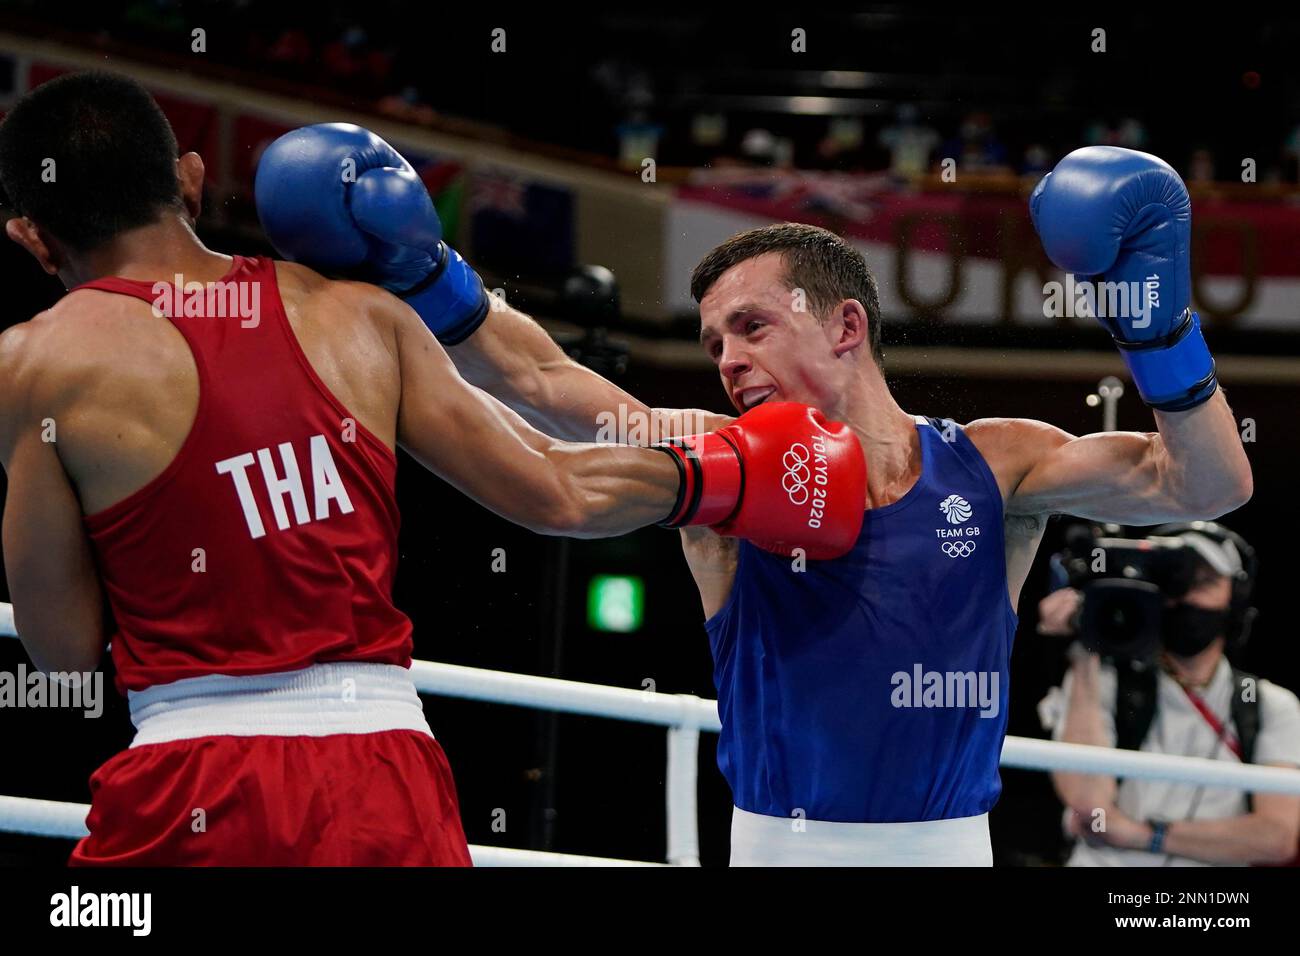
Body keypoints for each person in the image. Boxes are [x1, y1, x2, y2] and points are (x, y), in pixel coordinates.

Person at [259, 128, 1253, 865]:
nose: (728, 360)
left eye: (750, 325)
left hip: (954, 846)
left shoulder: (995, 464)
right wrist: (430, 272)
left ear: (845, 325)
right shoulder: (722, 465)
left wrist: (1156, 323)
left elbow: (1204, 483)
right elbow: (549, 386)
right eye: (713, 342)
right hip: (776, 843)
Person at [0, 72, 865, 865]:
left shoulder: (31, 366)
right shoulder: (359, 317)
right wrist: (736, 476)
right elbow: (559, 489)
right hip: (382, 779)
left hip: (187, 783)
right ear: (189, 178)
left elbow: (66, 652)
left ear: (32, 237)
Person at [1038, 523, 1300, 866]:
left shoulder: (1268, 705)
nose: (1186, 596)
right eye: (1175, 581)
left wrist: (1141, 835)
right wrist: (1086, 647)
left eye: (1203, 580)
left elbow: (1277, 839)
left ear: (1234, 598)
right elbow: (1090, 807)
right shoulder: (1102, 681)